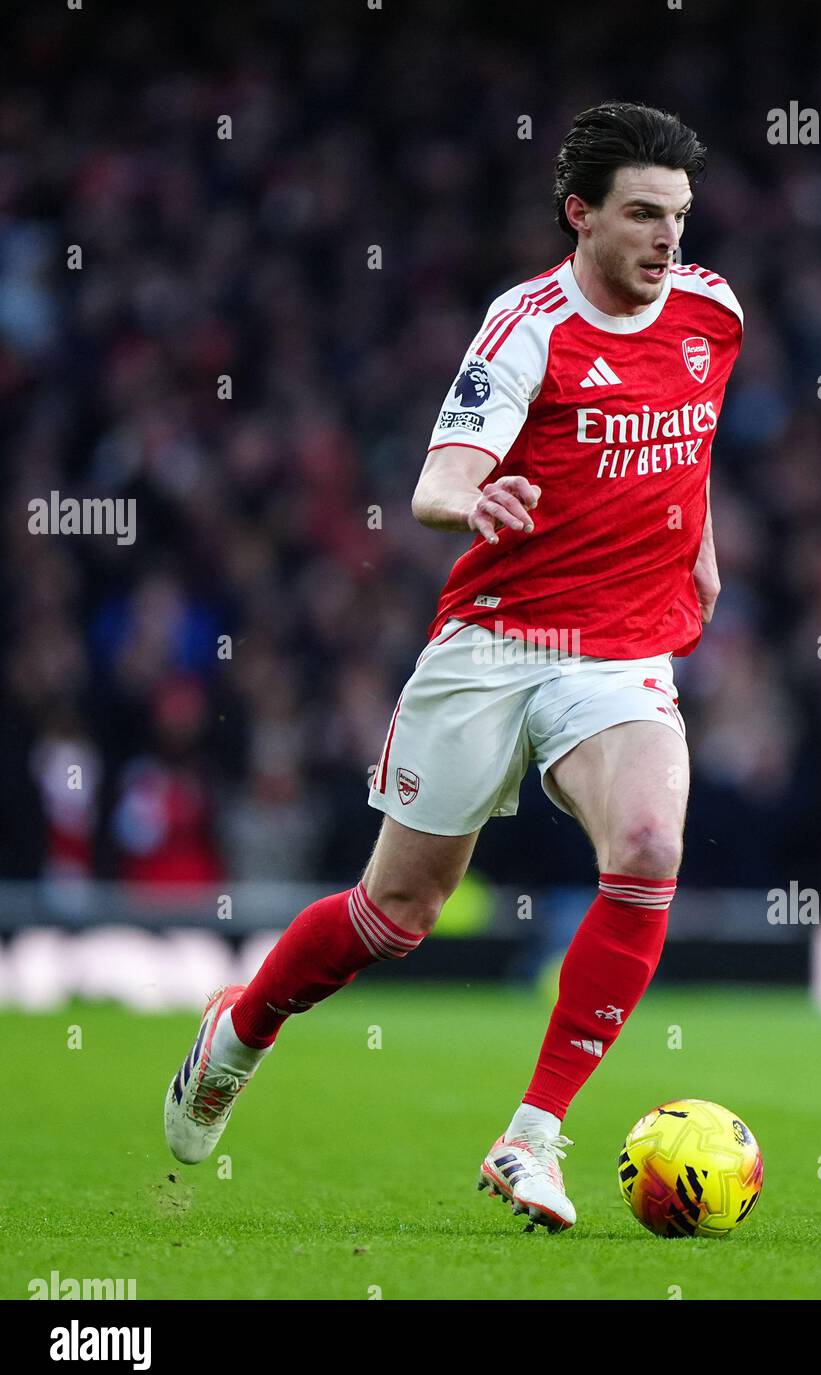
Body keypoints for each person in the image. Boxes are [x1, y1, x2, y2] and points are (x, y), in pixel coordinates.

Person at [164, 101, 743, 1234]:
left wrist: (701, 551)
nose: (667, 237)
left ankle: (531, 1134)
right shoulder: (526, 327)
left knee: (647, 846)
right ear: (580, 215)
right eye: (641, 214)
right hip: (496, 641)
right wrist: (474, 499)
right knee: (396, 914)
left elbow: (695, 437)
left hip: (620, 648)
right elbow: (437, 481)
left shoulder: (712, 311)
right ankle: (240, 1029)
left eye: (678, 215)